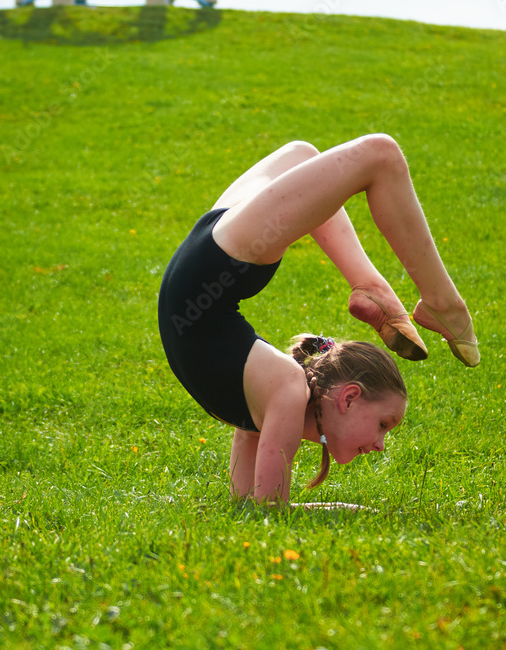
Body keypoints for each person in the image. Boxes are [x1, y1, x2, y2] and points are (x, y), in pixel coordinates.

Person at [158, 135, 479, 505]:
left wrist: (332, 508)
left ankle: (370, 285)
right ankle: (441, 302)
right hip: (213, 271)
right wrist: (340, 510)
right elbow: (270, 511)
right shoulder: (286, 388)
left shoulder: (268, 394)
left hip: (207, 270)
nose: (380, 444)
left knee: (304, 155)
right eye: (383, 424)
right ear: (349, 397)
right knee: (380, 154)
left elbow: (249, 506)